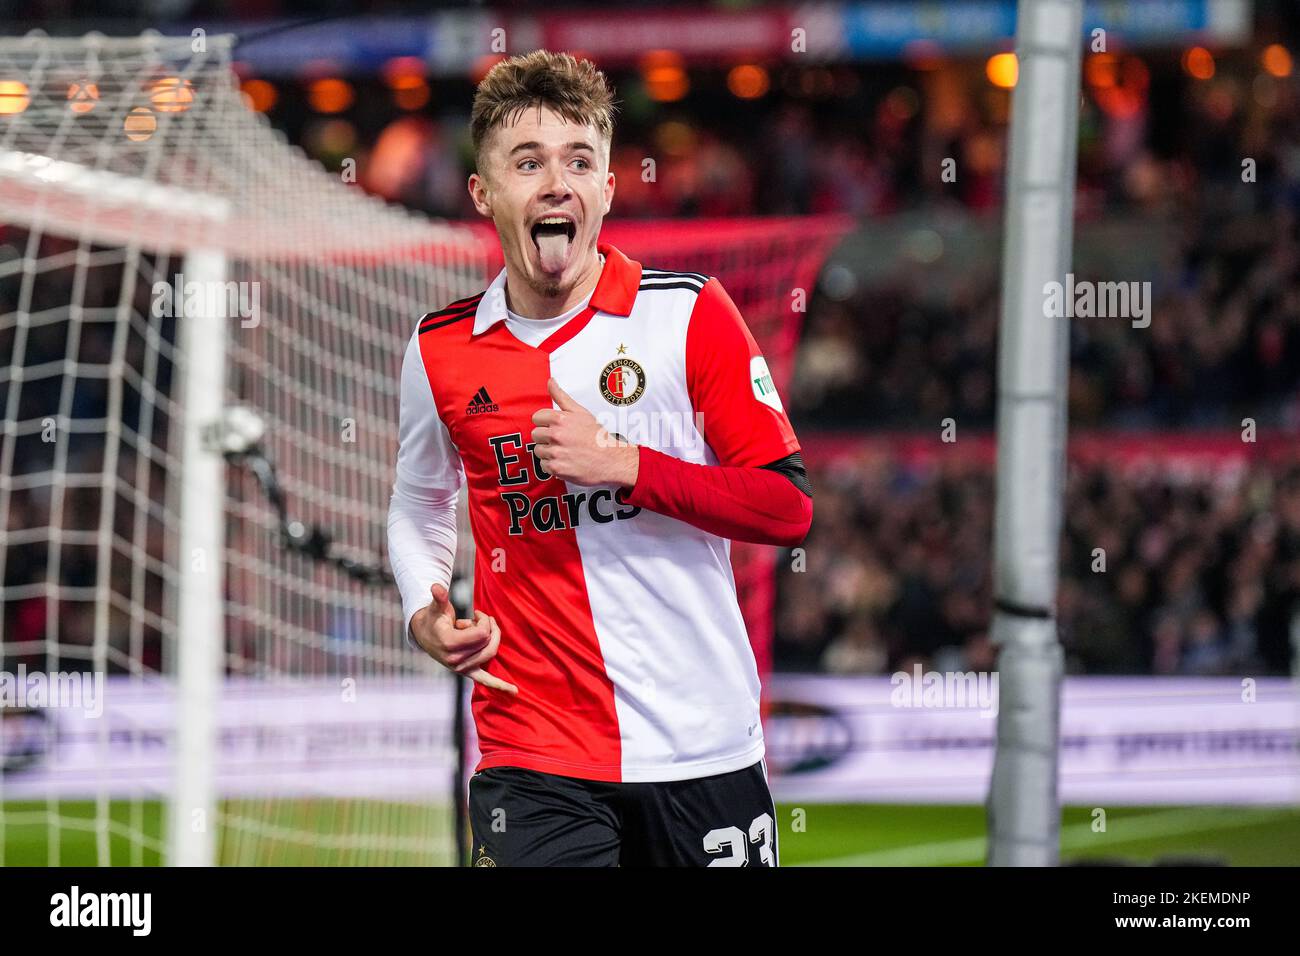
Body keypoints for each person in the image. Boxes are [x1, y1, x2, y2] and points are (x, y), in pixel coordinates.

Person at [387, 50, 812, 866]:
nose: (557, 182)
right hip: (534, 752)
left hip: (701, 746)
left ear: (607, 191)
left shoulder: (688, 316)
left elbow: (788, 507)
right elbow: (419, 504)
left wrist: (625, 464)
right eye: (529, 162)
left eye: (580, 161)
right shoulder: (440, 348)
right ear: (484, 194)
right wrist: (425, 605)